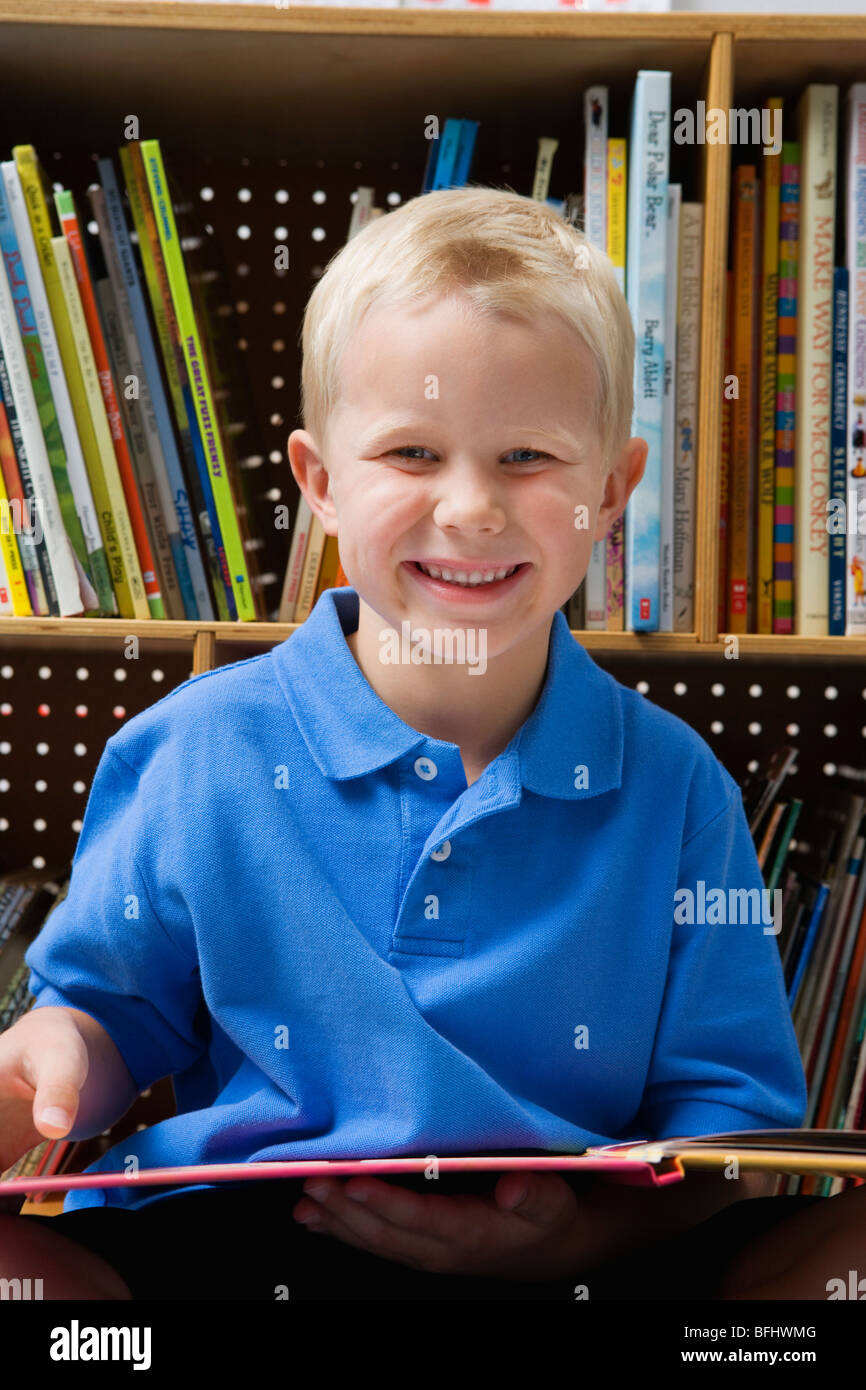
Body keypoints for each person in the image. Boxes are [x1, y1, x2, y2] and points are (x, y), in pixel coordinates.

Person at [0, 187, 862, 1300]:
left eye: (525, 458)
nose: (469, 508)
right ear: (318, 484)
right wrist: (57, 1054)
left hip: (580, 1262)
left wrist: (579, 1240)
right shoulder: (196, 748)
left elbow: (723, 1139)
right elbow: (106, 1018)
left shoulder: (674, 784)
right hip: (250, 1249)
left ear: (608, 493)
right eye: (411, 452)